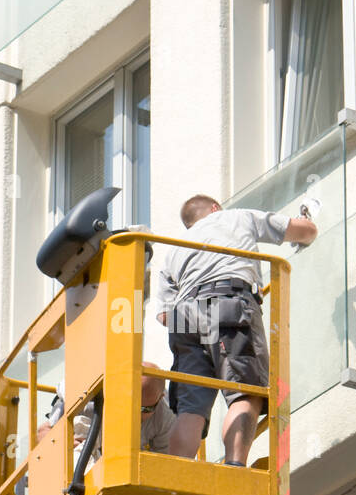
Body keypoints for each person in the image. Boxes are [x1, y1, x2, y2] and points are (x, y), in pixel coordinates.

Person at [155, 194, 317, 466]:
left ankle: (176, 472)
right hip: (228, 302)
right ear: (216, 208)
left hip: (183, 318)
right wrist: (309, 225)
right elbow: (302, 231)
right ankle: (234, 467)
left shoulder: (174, 251)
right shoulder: (234, 217)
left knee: (190, 408)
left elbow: (163, 316)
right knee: (245, 391)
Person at [36, 363, 175, 455]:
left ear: (160, 398)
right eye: (127, 405)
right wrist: (62, 443)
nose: (132, 415)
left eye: (144, 409)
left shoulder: (164, 415)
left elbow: (166, 463)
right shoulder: (86, 399)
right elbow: (43, 433)